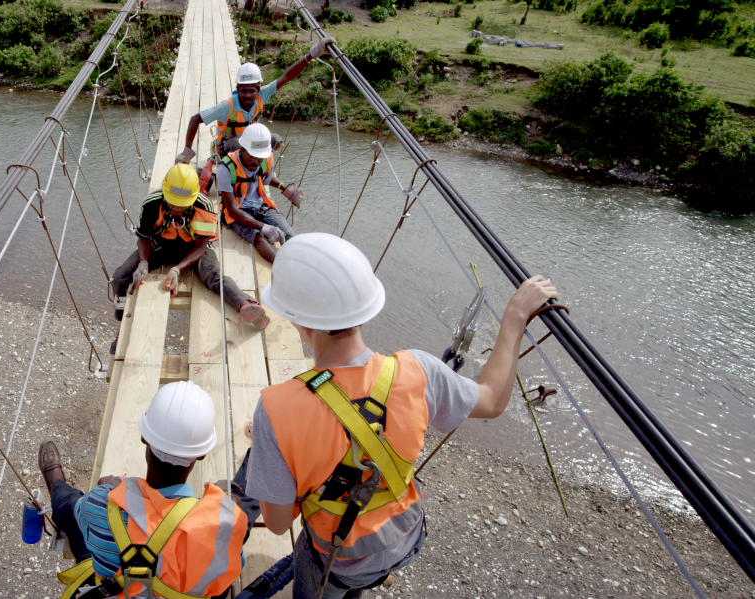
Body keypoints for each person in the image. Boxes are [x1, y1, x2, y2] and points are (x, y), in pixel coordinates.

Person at [246, 233, 560, 599]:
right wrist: (515, 317)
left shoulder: (277, 408)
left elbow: (279, 522)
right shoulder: (419, 370)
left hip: (340, 559)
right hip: (405, 539)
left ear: (300, 321)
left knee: (318, 567)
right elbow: (492, 401)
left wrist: (286, 463)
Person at [40, 381, 252, 599]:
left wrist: (108, 491)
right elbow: (232, 567)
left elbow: (88, 517)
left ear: (144, 437)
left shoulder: (99, 503)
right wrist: (221, 510)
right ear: (201, 454)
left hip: (112, 585)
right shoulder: (223, 528)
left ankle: (58, 487)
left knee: (72, 509)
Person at [109, 163, 269, 354]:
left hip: (193, 248)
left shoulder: (204, 205)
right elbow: (143, 237)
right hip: (160, 245)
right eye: (172, 203)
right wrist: (143, 262)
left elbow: (201, 246)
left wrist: (178, 268)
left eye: (182, 205)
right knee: (120, 278)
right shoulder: (152, 203)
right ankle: (122, 316)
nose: (176, 208)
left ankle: (246, 305)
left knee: (212, 275)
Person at [175, 37, 335, 165]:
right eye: (243, 91)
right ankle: (245, 166)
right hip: (228, 147)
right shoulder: (227, 106)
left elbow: (286, 77)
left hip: (249, 145)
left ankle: (256, 167)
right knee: (242, 145)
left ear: (258, 89)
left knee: (275, 140)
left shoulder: (262, 96)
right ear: (238, 90)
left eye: (252, 91)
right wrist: (187, 151)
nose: (248, 96)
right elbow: (195, 119)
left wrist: (313, 54)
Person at [218, 123, 302, 264]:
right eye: (251, 155)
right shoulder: (226, 169)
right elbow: (232, 210)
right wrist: (262, 227)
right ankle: (284, 265)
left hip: (261, 207)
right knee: (258, 237)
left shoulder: (267, 159)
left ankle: (301, 263)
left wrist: (283, 187)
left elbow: (266, 180)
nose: (255, 161)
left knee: (290, 236)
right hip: (238, 211)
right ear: (242, 149)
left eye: (259, 157)